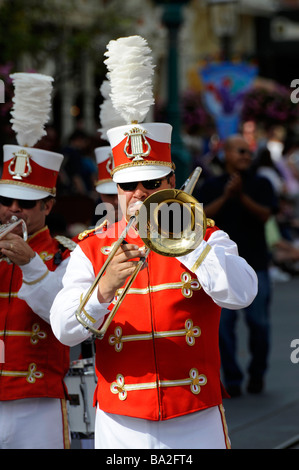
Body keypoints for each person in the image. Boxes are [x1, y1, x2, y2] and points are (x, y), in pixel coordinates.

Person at [50, 118, 258, 449]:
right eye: (127, 185)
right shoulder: (91, 247)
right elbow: (63, 330)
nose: (139, 194)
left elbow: (244, 293)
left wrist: (188, 242)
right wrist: (102, 290)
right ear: (116, 190)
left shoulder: (205, 236)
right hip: (121, 423)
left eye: (151, 182)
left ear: (172, 180)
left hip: (195, 415)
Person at [0, 73, 76, 449]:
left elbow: (63, 320)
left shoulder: (66, 253)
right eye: (6, 202)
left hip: (38, 399)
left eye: (26, 204)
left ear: (47, 206)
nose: (14, 211)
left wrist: (32, 264)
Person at [196, 134, 278, 397]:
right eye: (240, 151)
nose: (246, 156)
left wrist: (240, 196)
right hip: (220, 269)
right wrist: (226, 196)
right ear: (226, 154)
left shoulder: (261, 183)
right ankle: (232, 378)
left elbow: (266, 215)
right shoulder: (211, 186)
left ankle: (257, 375)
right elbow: (200, 218)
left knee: (259, 325)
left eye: (248, 152)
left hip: (257, 265)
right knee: (223, 328)